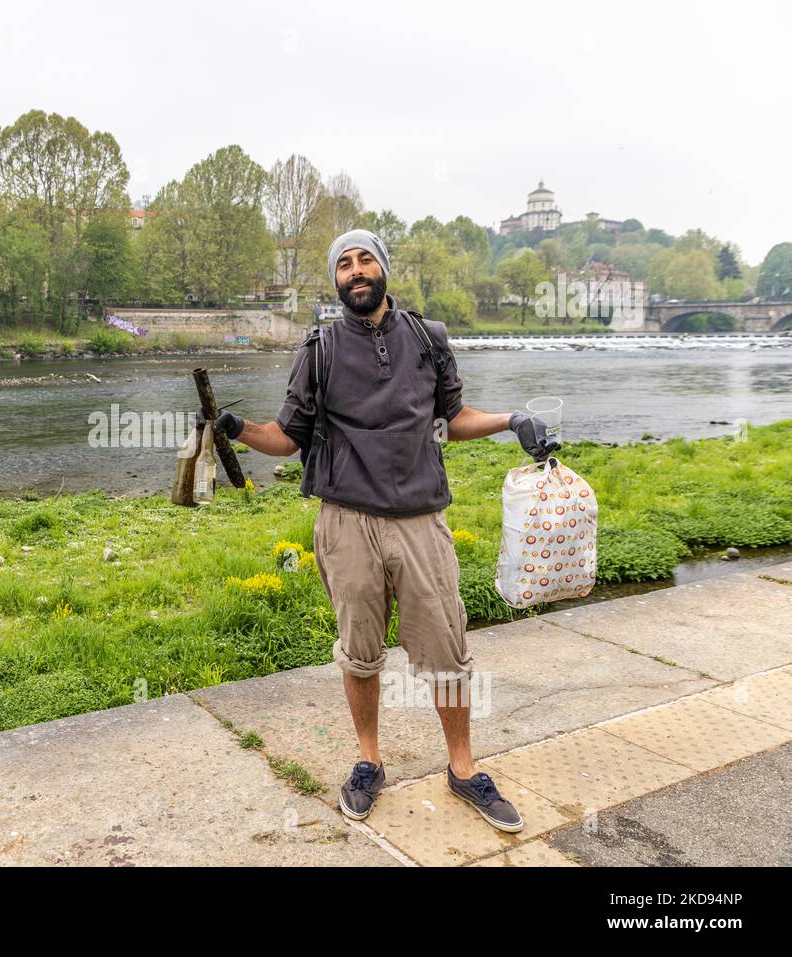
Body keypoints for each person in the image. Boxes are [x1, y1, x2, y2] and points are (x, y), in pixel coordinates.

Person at [200, 228, 557, 833]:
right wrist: (234, 426)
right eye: (345, 263)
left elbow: (454, 417)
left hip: (421, 519)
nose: (356, 271)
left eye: (366, 260)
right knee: (360, 651)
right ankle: (369, 761)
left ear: (383, 269)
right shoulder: (317, 348)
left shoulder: (426, 337)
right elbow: (288, 439)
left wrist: (512, 419)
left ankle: (464, 768)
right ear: (336, 279)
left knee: (446, 649)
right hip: (347, 521)